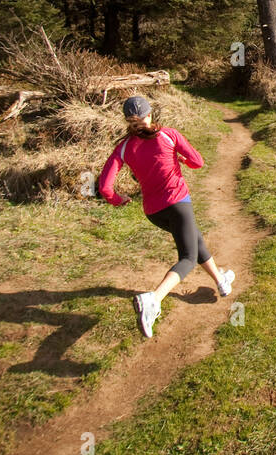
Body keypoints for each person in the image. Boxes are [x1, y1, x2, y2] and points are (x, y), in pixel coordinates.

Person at [97, 95, 234, 338]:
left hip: (153, 212)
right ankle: (154, 299)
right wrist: (183, 161)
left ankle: (221, 281)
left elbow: (105, 187)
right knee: (188, 258)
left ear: (128, 120)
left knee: (193, 237)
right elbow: (198, 162)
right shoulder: (168, 134)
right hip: (178, 204)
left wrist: (119, 200)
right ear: (150, 114)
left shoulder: (124, 148)